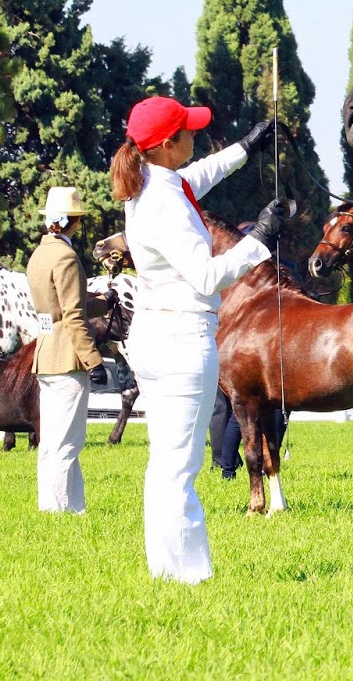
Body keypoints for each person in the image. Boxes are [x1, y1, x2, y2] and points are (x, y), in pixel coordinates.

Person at [109, 96, 284, 584]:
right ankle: (189, 576)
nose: (193, 135)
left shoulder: (150, 182)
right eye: (187, 131)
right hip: (182, 338)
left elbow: (201, 175)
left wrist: (247, 148)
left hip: (157, 334)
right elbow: (207, 277)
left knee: (165, 461)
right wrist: (259, 241)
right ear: (168, 145)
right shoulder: (165, 201)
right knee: (180, 467)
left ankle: (166, 569)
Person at [27, 186, 112, 514]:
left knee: (51, 444)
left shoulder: (40, 254)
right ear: (73, 221)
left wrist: (103, 303)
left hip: (46, 351)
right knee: (67, 444)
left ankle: (71, 509)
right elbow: (74, 316)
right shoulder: (65, 257)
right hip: (67, 359)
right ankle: (58, 512)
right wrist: (94, 361)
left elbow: (59, 311)